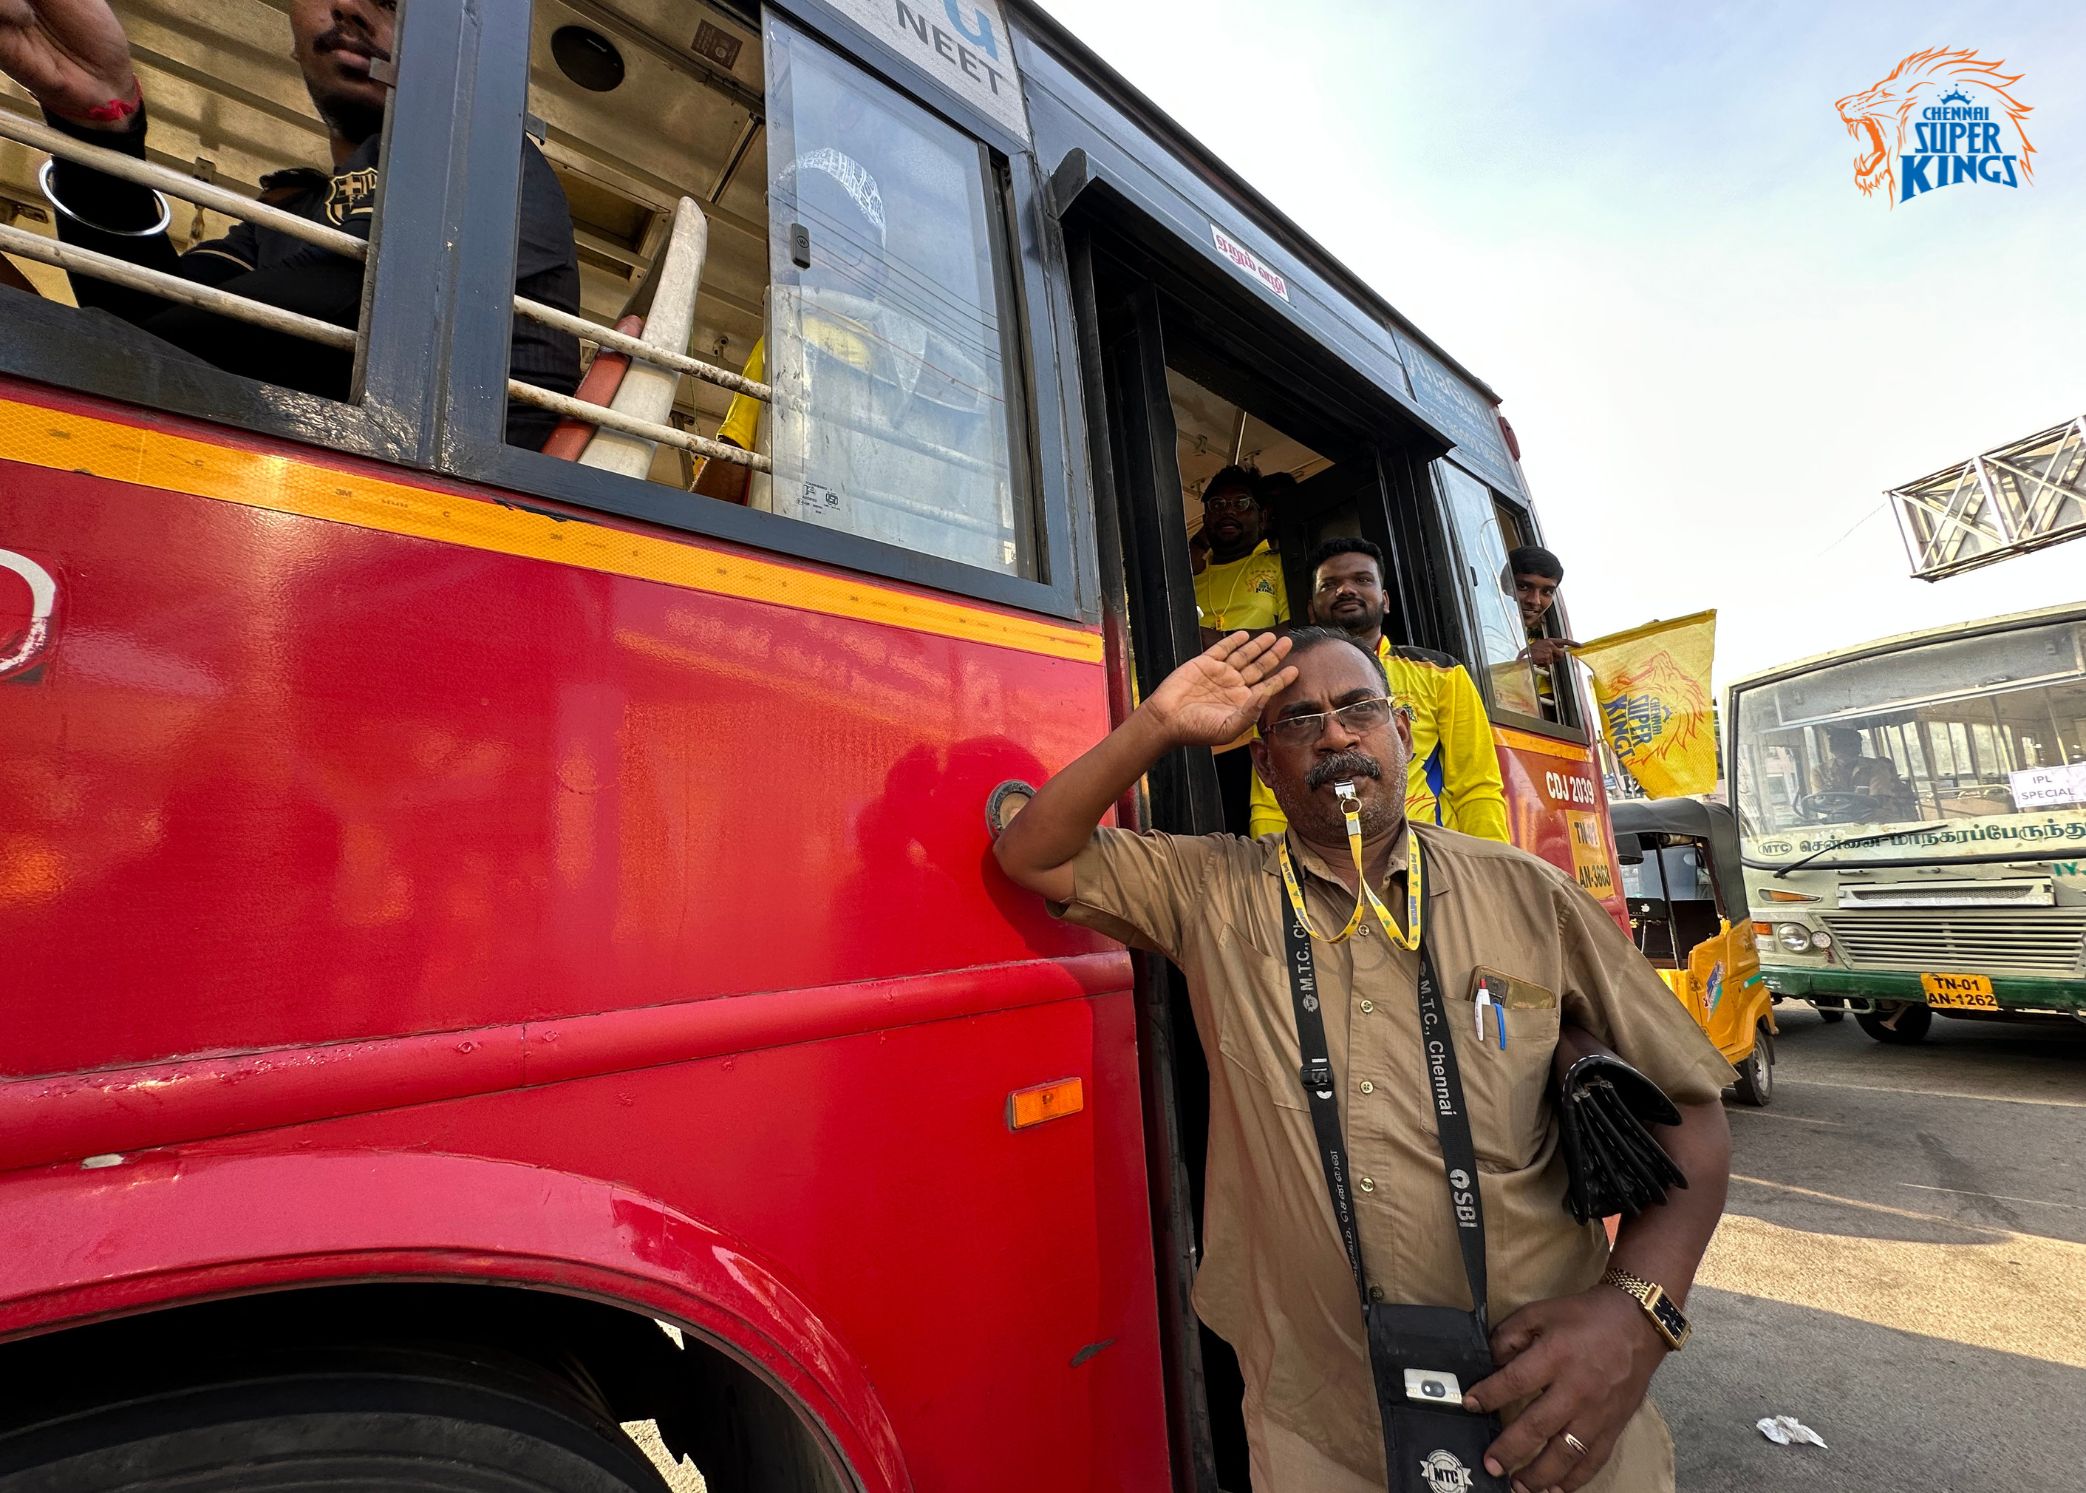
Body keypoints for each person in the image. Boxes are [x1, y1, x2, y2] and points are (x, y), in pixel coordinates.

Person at [994, 627, 1733, 1493]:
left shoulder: (1530, 894)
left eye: (1359, 709)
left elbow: (1692, 1115)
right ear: (1267, 769)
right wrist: (1157, 722)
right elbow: (1031, 850)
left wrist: (1635, 1318)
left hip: (1551, 1410)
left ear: (1404, 737)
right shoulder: (1212, 891)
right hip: (1322, 1428)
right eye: (1299, 719)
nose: (1336, 735)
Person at [1, 0, 582, 449]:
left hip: (438, 508)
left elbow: (140, 348)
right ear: (293, 45)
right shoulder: (282, 217)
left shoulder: (485, 154)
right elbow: (144, 322)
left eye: (390, 2)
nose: (351, 8)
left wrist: (30, 331)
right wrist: (98, 121)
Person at [1249, 537, 1510, 844]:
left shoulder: (1442, 672)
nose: (1345, 590)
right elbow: (1269, 802)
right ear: (1310, 609)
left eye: (1362, 580)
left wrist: (1487, 866)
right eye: (1329, 584)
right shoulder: (1283, 681)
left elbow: (1476, 785)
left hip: (1428, 858)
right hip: (1318, 864)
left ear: (1385, 600)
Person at [1192, 465, 1288, 636]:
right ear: (1205, 519)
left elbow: (1296, 631)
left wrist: (1219, 640)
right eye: (1217, 505)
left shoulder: (1281, 563)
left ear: (1262, 516)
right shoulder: (1190, 576)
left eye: (1241, 503)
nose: (1228, 511)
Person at [1510, 545, 1576, 720]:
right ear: (1501, 584)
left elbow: (1545, 719)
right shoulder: (1474, 631)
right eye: (1523, 587)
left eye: (1547, 591)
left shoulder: (1538, 642)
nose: (1535, 600)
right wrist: (1525, 661)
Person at [1820, 727, 1915, 820]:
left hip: (1876, 820)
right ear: (1832, 749)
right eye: (1839, 745)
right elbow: (1819, 801)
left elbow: (1878, 801)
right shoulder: (1820, 770)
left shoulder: (1876, 766)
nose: (1845, 750)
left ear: (1858, 748)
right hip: (1838, 820)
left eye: (1851, 745)